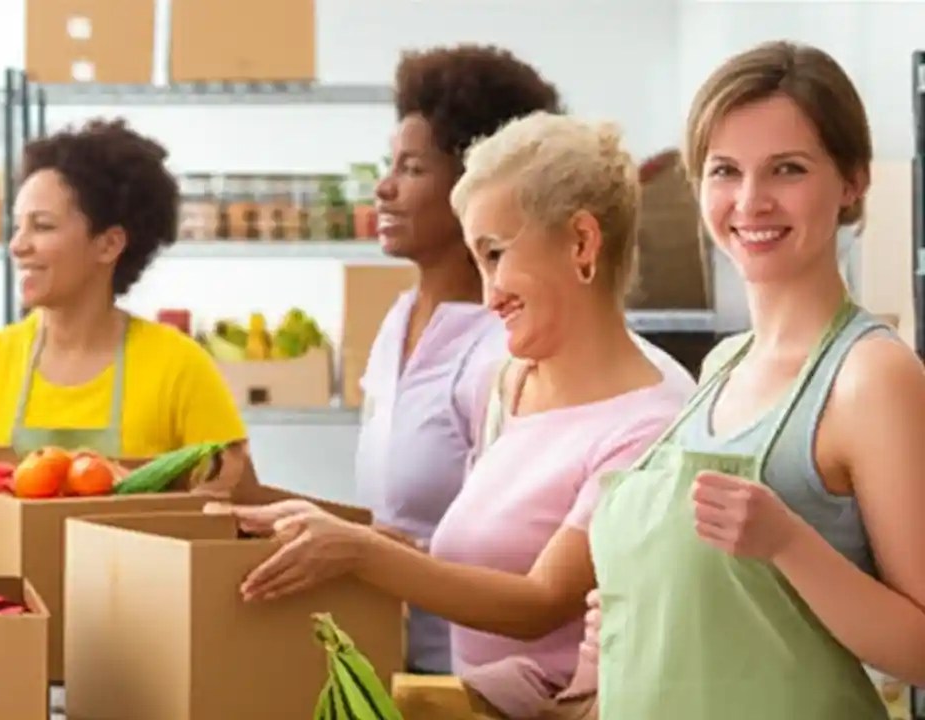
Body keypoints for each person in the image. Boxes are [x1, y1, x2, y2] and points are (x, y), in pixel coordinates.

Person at [211, 111, 695, 718]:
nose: (488, 294)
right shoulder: (512, 383)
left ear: (581, 243)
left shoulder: (651, 422)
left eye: (495, 255)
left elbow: (541, 602)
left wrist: (360, 552)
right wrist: (317, 523)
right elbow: (467, 560)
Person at [588, 41, 925, 718]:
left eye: (787, 169)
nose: (750, 201)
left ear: (853, 181)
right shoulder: (722, 365)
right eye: (724, 171)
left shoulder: (872, 377)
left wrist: (789, 544)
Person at [0, 119, 250, 536]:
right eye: (17, 225)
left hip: (136, 596)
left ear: (108, 244)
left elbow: (240, 505)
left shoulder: (178, 364)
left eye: (42, 226)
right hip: (7, 599)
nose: (17, 245)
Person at [353, 44, 565, 676]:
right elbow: (385, 519)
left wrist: (367, 554)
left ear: (476, 186)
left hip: (472, 682)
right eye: (389, 165)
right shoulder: (396, 323)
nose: (383, 187)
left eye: (412, 169)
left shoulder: (504, 350)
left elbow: (524, 559)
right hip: (390, 664)